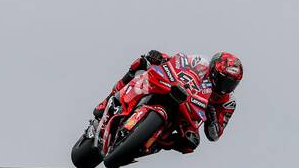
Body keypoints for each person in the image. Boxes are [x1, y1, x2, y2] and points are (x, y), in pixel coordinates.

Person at [93, 50, 241, 154]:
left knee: (191, 143)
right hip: (174, 89)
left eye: (231, 83)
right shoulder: (201, 64)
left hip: (190, 115)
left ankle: (152, 142)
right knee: (141, 63)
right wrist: (160, 57)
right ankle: (107, 101)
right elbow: (178, 62)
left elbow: (214, 135)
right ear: (214, 71)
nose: (225, 87)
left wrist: (212, 114)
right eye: (223, 79)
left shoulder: (228, 102)